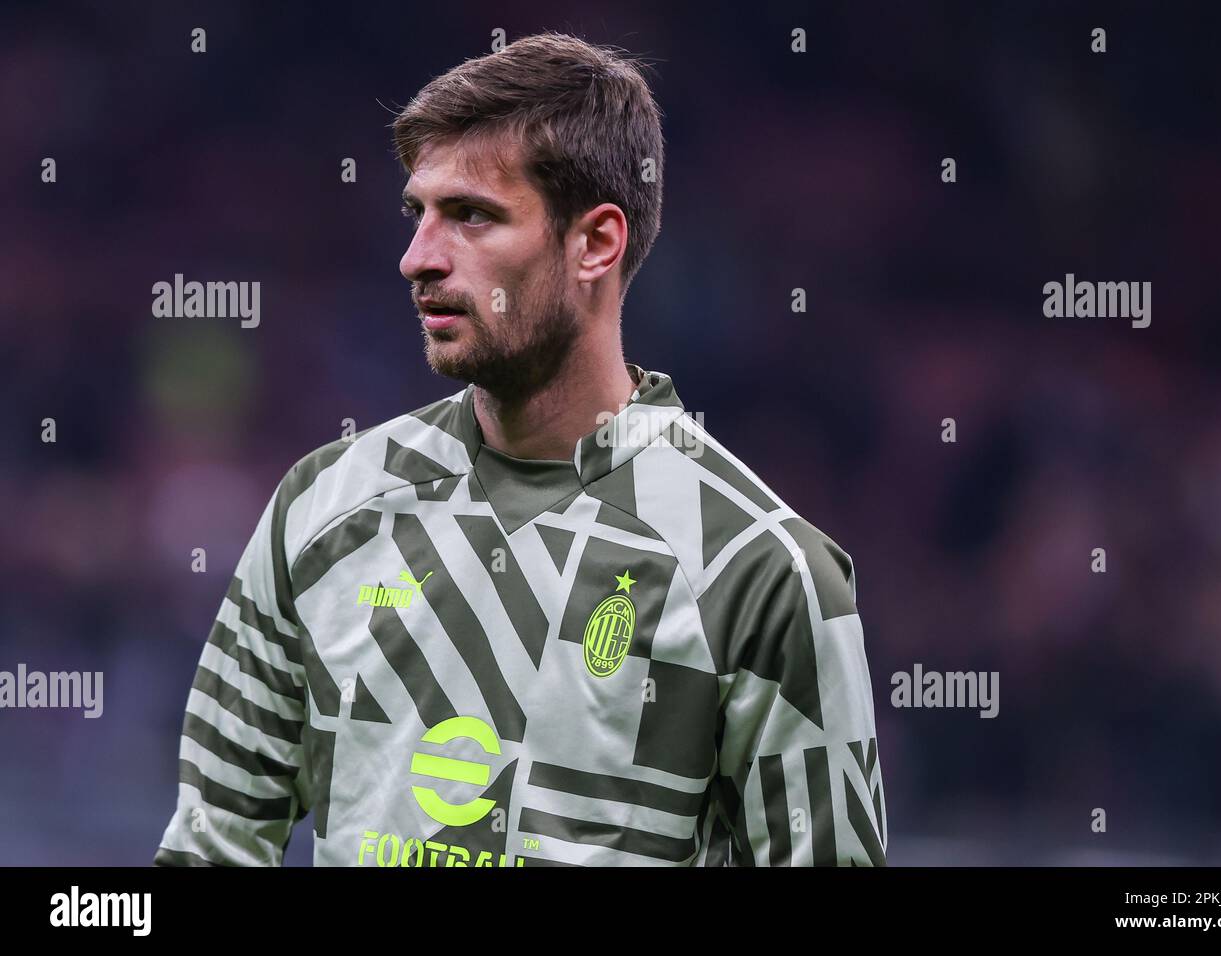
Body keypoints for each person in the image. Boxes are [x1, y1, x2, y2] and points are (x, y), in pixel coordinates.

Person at [154, 31, 886, 867]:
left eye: (471, 215)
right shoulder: (323, 509)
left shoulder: (759, 570)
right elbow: (210, 848)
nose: (417, 258)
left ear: (595, 244)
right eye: (418, 214)